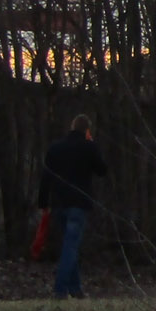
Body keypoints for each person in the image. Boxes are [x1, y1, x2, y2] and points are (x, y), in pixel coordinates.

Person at [39, 114, 107, 298]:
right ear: (87, 130)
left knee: (70, 244)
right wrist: (93, 145)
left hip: (59, 203)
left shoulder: (55, 148)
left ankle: (75, 289)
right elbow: (102, 170)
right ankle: (60, 289)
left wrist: (43, 202)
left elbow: (46, 177)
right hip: (78, 203)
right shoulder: (88, 147)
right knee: (71, 246)